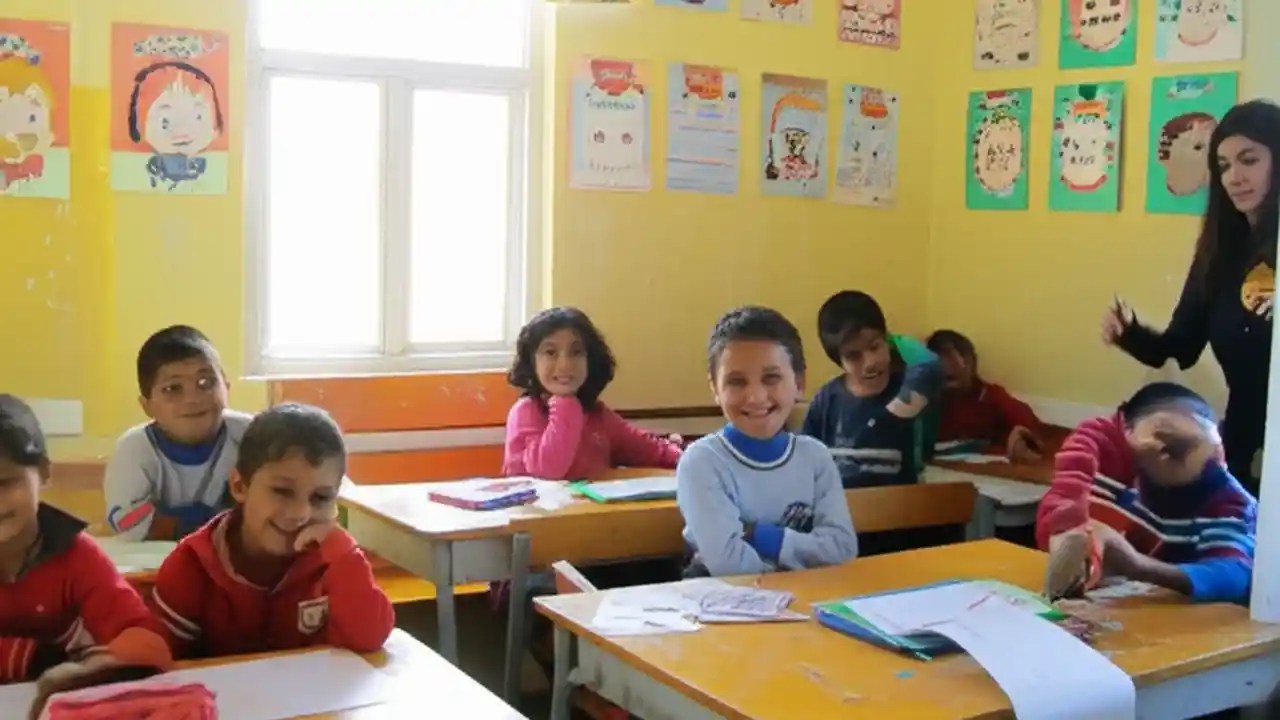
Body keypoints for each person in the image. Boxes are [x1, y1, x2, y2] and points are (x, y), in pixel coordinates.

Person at [1103, 100, 1280, 497]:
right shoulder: (1219, 256)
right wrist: (1129, 334)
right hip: (1243, 453)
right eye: (1224, 165)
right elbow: (1179, 347)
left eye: (1249, 160)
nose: (1235, 177)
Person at [150, 404, 394, 658]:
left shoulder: (333, 561)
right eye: (282, 491)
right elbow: (164, 661)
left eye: (320, 497)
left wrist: (344, 554)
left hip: (313, 695)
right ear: (239, 486)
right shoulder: (192, 565)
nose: (300, 513)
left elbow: (369, 638)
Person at [0, 395, 172, 701]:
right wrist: (31, 657)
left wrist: (88, 670)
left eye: (4, 482)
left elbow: (148, 640)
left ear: (43, 471)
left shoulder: (77, 557)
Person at [677, 306, 857, 578]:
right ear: (715, 388)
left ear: (799, 382)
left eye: (771, 378)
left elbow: (842, 549)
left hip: (811, 600)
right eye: (736, 382)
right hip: (728, 607)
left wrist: (760, 535)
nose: (756, 397)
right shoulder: (703, 463)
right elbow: (729, 565)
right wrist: (806, 554)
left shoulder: (815, 458)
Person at [1037, 383, 1256, 604]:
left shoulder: (1226, 499)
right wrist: (1069, 537)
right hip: (1111, 609)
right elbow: (1061, 507)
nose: (1165, 449)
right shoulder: (1106, 453)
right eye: (1162, 433)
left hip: (1190, 625)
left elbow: (1234, 576)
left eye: (1183, 447)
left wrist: (1137, 566)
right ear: (1127, 430)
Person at [104, 325, 252, 541]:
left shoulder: (252, 436)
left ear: (227, 388)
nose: (193, 398)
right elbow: (126, 522)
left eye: (206, 383)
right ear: (147, 406)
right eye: (173, 388)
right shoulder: (134, 450)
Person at [503, 307, 682, 479]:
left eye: (576, 352)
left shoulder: (598, 416)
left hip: (591, 511)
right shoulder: (525, 413)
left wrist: (686, 456)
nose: (565, 365)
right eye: (550, 352)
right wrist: (565, 402)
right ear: (531, 362)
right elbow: (549, 470)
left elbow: (649, 450)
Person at [803, 290, 943, 487]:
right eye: (853, 356)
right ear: (839, 361)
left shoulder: (911, 390)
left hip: (902, 511)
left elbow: (931, 368)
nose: (870, 362)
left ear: (887, 340)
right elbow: (806, 466)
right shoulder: (825, 400)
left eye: (875, 347)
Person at [927, 329, 1044, 462]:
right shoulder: (925, 399)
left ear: (973, 362)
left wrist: (1021, 434)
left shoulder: (990, 395)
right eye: (941, 359)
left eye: (956, 358)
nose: (950, 366)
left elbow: (1028, 423)